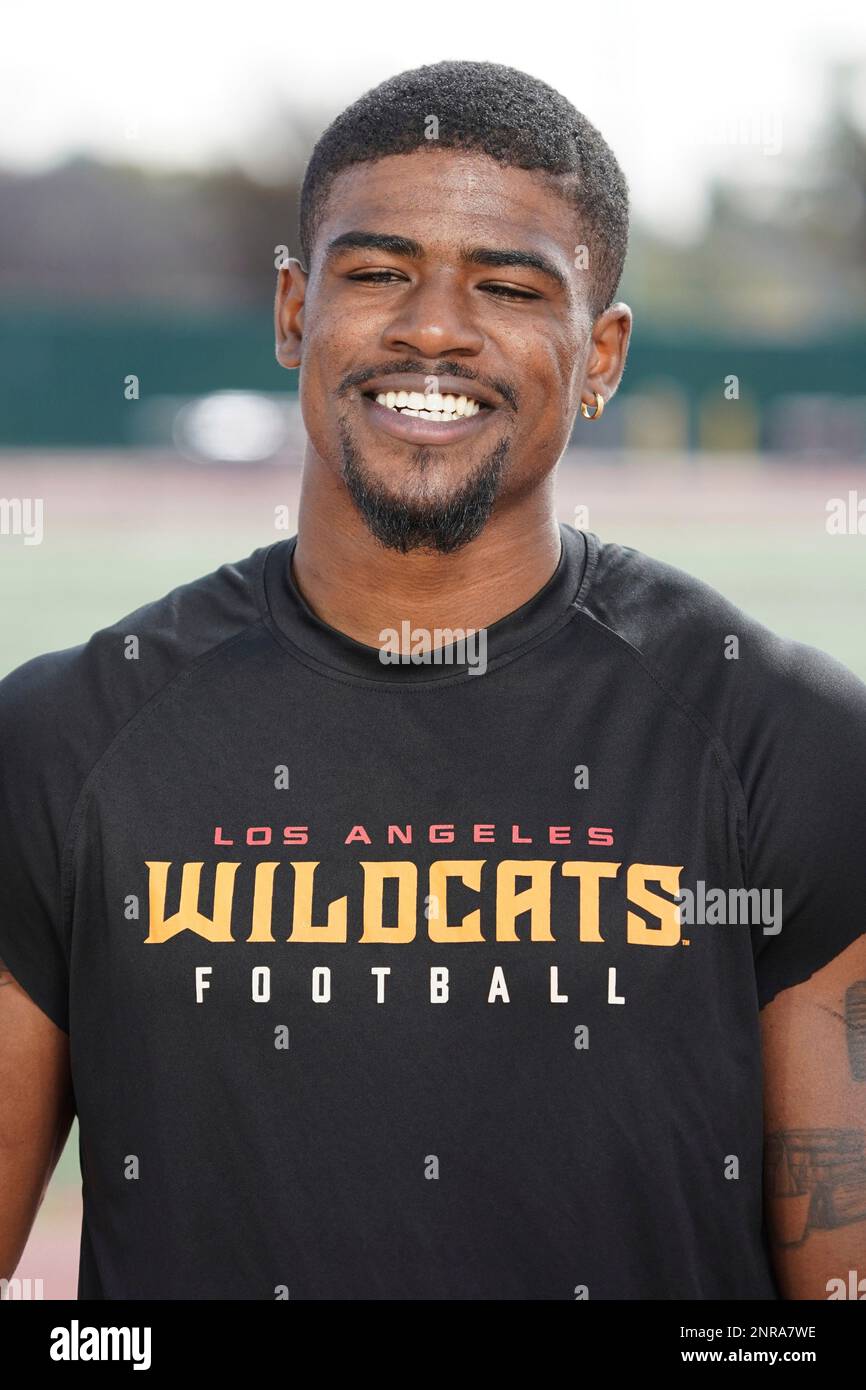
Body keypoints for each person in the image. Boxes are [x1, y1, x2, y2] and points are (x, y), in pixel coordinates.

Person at [2, 60, 865, 1302]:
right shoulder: (57, 743)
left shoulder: (790, 742)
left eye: (509, 287)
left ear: (600, 353)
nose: (433, 328)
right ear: (295, 309)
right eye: (376, 272)